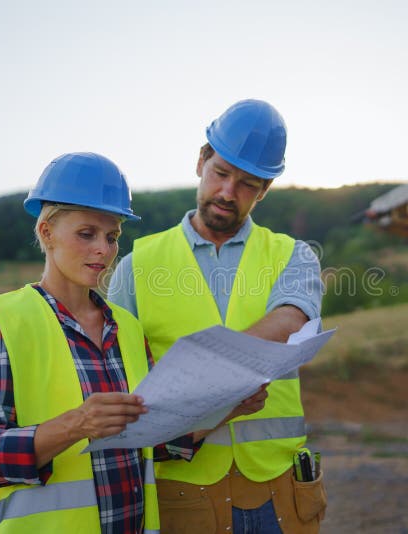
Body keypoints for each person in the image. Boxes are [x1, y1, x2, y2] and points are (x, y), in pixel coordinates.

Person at [108, 100, 327, 533]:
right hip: (183, 488)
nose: (228, 192)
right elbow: (119, 374)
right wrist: (222, 399)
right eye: (221, 173)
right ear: (201, 161)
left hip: (276, 487)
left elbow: (289, 322)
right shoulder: (137, 264)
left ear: (264, 191)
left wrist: (205, 382)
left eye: (247, 183)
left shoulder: (292, 255)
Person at [0, 152, 186, 533]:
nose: (104, 250)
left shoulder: (127, 329)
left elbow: (155, 443)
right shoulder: (4, 324)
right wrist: (77, 424)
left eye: (112, 237)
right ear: (46, 232)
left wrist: (224, 410)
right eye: (86, 234)